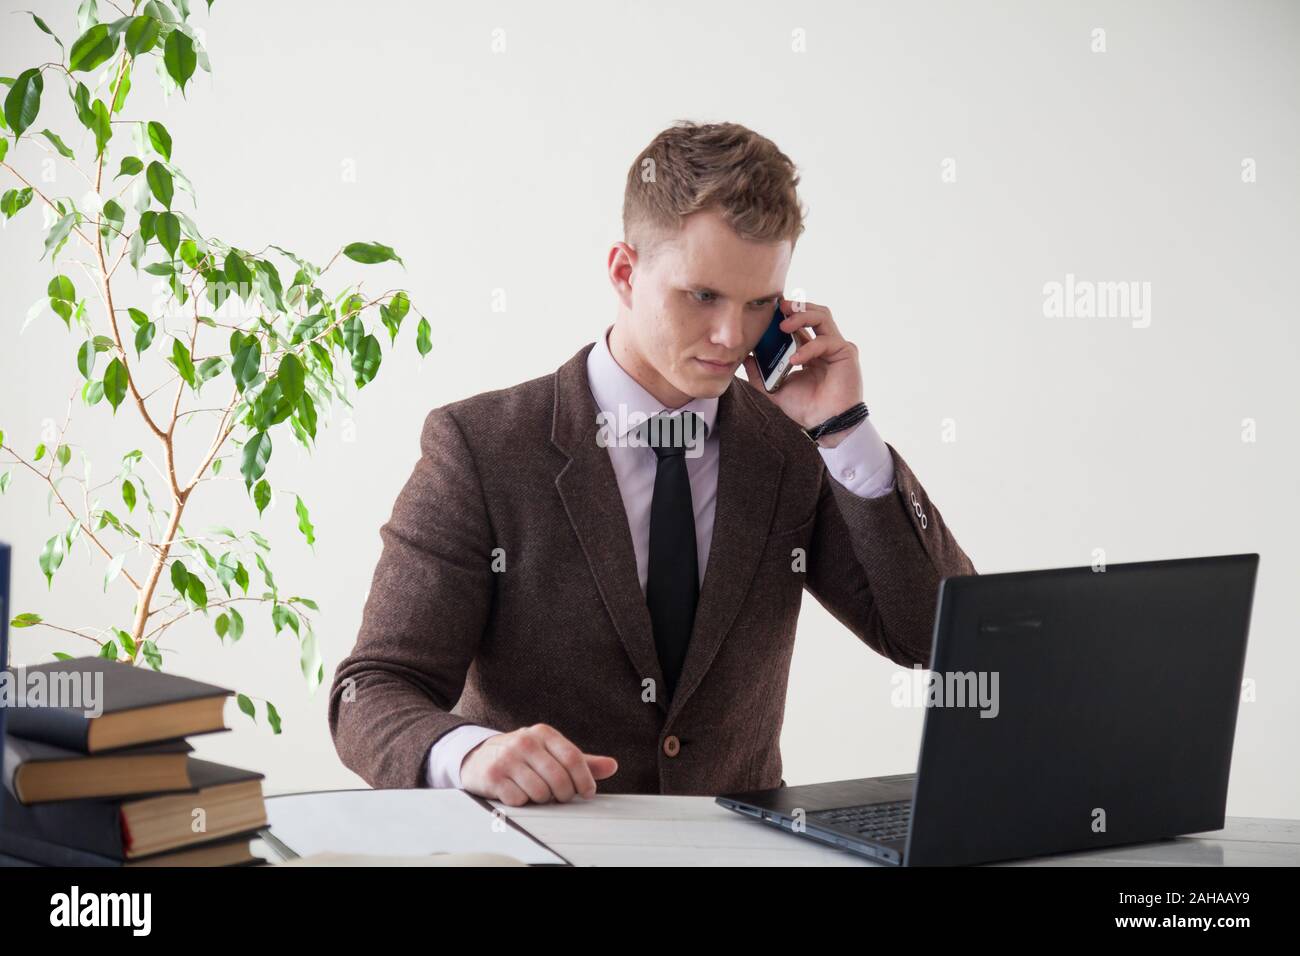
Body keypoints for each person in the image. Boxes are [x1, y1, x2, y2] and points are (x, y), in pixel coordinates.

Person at [328, 121, 976, 806]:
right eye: (703, 296)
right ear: (624, 272)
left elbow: (934, 637)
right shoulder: (480, 447)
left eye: (759, 303)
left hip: (736, 856)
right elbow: (370, 690)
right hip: (539, 848)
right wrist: (472, 754)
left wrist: (844, 431)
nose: (731, 336)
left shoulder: (791, 450)